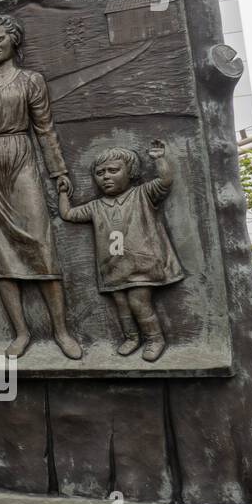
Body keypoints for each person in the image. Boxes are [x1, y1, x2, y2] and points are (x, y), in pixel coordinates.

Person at [0, 14, 82, 360]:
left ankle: (61, 331)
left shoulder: (31, 80)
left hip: (21, 156)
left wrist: (58, 169)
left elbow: (45, 128)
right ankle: (20, 333)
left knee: (40, 244)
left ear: (14, 41)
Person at [57, 140, 183, 361]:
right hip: (113, 267)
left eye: (113, 170)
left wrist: (159, 158)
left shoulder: (142, 194)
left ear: (131, 172)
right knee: (122, 305)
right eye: (100, 173)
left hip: (142, 265)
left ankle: (155, 338)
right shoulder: (95, 206)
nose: (106, 176)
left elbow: (165, 181)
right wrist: (63, 194)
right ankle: (132, 337)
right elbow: (68, 215)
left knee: (138, 302)